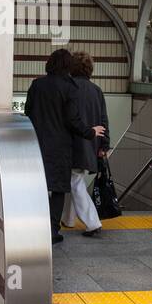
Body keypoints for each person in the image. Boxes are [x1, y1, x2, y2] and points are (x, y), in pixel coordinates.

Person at [24, 48, 106, 245]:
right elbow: (73, 120)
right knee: (59, 189)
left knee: (40, 186)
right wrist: (91, 132)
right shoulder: (69, 88)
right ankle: (52, 231)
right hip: (61, 147)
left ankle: (36, 226)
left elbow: (28, 111)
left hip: (37, 144)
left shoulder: (37, 85)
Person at [63, 51, 109, 238]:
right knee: (74, 180)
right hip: (90, 144)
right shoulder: (96, 90)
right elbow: (104, 120)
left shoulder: (69, 88)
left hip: (73, 143)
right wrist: (104, 146)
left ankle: (93, 223)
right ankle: (68, 219)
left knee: (74, 181)